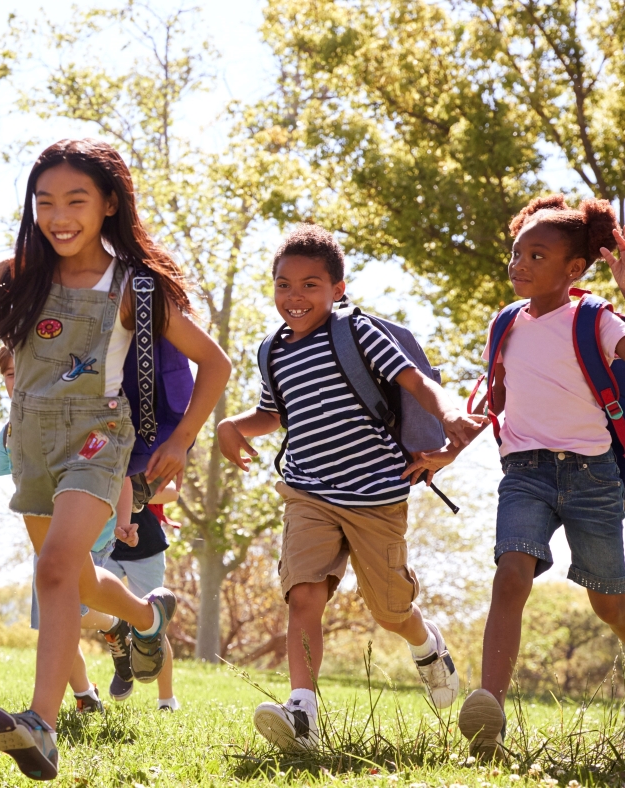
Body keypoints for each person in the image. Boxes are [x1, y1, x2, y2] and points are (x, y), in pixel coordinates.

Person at [0, 138, 231, 780]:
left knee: (52, 573)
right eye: (45, 202)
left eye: (76, 200)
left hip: (98, 435)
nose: (59, 215)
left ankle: (40, 726)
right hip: (29, 440)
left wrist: (180, 441)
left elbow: (216, 362)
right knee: (73, 580)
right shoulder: (16, 274)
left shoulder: (134, 286)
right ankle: (146, 614)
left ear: (108, 204)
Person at [216, 224, 483, 752]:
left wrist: (450, 409)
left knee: (389, 611)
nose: (295, 297)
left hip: (376, 495)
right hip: (307, 489)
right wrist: (234, 426)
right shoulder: (271, 350)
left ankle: (426, 645)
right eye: (283, 284)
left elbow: (415, 381)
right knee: (304, 594)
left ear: (338, 288)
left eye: (310, 285)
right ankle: (302, 714)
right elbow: (274, 413)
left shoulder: (358, 333)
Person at [457, 195, 625, 761]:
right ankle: (489, 717)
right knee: (511, 573)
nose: (518, 263)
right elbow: (492, 400)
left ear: (573, 269)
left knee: (609, 603)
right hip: (524, 471)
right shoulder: (504, 324)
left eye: (536, 254)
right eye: (516, 252)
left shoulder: (596, 320)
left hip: (594, 476)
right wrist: (444, 448)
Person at [0, 346, 123, 716]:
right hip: (44, 538)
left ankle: (118, 624)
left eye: (25, 370)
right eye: (10, 375)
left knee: (64, 614)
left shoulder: (74, 416)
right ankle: (86, 694)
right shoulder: (11, 433)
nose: (18, 381)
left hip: (90, 532)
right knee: (53, 622)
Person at [100, 501, 179, 709]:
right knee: (91, 607)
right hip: (105, 546)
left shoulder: (142, 467)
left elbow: (171, 492)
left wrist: (134, 490)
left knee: (153, 622)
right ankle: (123, 663)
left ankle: (166, 700)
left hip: (147, 549)